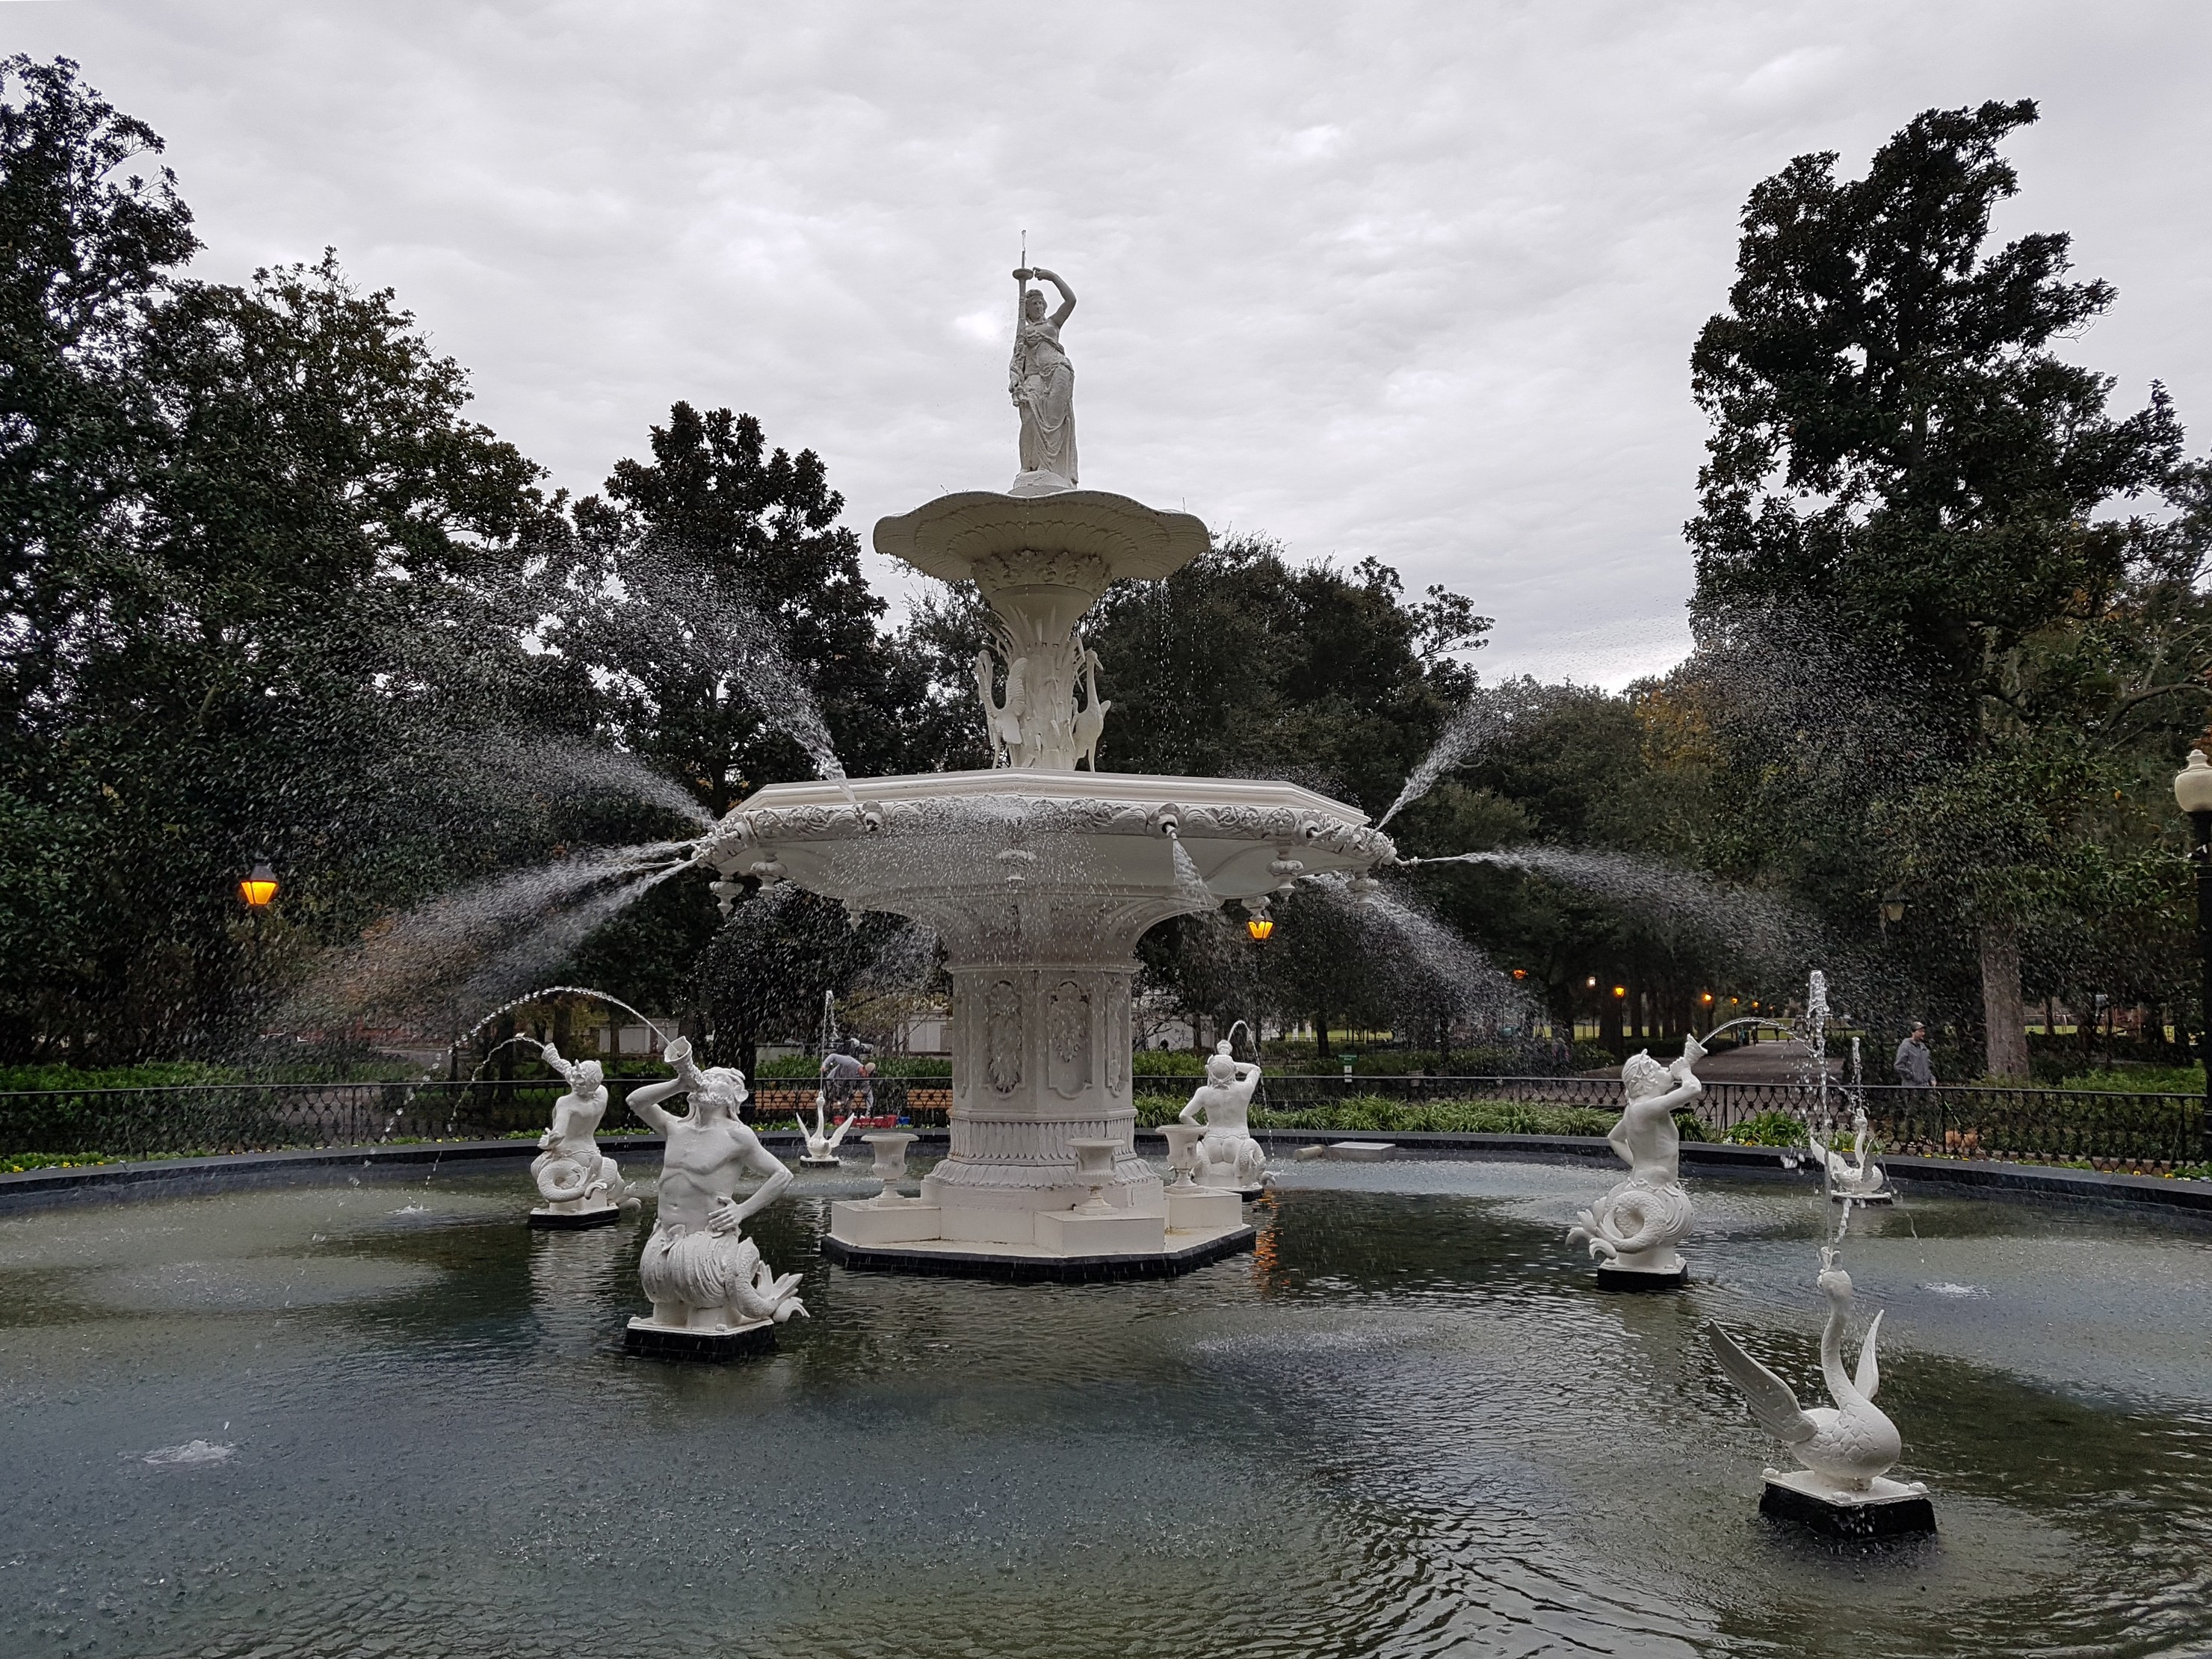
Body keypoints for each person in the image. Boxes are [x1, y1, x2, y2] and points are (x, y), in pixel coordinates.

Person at [626, 1038, 806, 1330]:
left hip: (705, 1246)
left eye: (716, 1079)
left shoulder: (737, 1135)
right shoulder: (675, 1127)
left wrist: (741, 1211)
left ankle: (752, 1311)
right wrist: (678, 1083)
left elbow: (782, 1175)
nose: (706, 1082)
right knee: (663, 1323)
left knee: (705, 1323)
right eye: (705, 1077)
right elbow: (635, 1102)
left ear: (733, 1095)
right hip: (663, 1238)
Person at [1009, 266, 1078, 489]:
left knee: (1055, 421)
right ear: (1027, 310)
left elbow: (1071, 301)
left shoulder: (1053, 324)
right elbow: (1017, 358)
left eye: (1040, 303)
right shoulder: (1023, 331)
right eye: (1033, 304)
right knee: (1029, 419)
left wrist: (1053, 277)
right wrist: (1014, 378)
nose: (1038, 307)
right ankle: (1028, 466)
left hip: (1058, 371)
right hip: (1034, 377)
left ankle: (1051, 468)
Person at [1893, 1022, 1936, 1088]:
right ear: (1913, 1032)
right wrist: (1910, 1075)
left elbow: (1926, 1066)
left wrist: (1932, 1078)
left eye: (1924, 1031)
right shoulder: (1905, 1046)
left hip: (1926, 1087)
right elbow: (1898, 1065)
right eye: (1920, 1031)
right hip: (1911, 1087)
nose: (1923, 1033)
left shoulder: (1923, 1047)